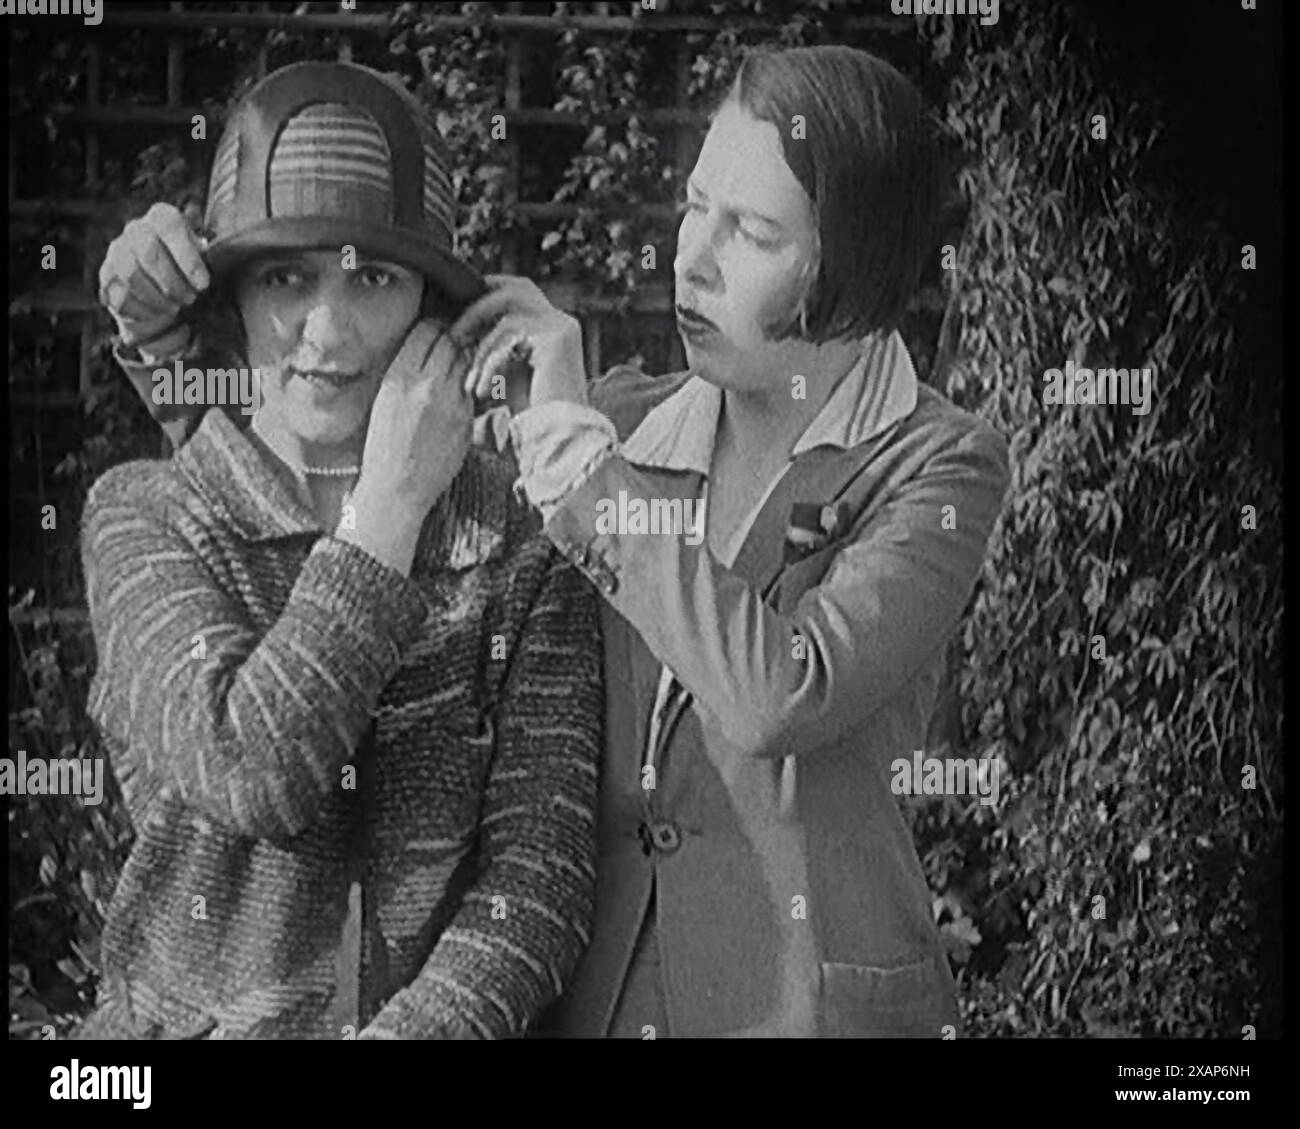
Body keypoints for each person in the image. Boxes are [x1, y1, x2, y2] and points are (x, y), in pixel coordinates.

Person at [454, 44, 1011, 1037]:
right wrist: (187, 353)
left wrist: (585, 473)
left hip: (812, 1010)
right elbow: (385, 519)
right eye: (693, 206)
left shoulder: (940, 464)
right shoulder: (620, 423)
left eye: (748, 231)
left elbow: (781, 692)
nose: (690, 257)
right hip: (601, 1000)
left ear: (851, 260)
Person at [74, 61, 602, 1040]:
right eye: (287, 276)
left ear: (431, 306)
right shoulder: (145, 517)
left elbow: (538, 881)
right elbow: (252, 770)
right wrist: (389, 509)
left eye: (373, 276)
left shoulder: (519, 548)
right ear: (232, 298)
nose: (327, 329)